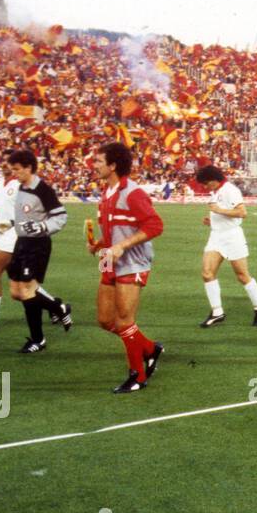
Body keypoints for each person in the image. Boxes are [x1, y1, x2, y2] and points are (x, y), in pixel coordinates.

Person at [90, 142, 165, 392]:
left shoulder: (133, 193)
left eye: (99, 161)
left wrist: (123, 245)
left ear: (113, 166)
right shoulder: (106, 192)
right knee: (104, 320)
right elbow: (112, 231)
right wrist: (99, 244)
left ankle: (138, 376)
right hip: (109, 259)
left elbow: (155, 225)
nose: (95, 165)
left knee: (124, 322)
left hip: (132, 261)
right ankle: (149, 348)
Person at [0, 166, 68, 334]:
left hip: (14, 234)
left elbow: (35, 208)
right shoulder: (1, 183)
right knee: (19, 290)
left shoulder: (21, 185)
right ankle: (57, 306)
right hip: (1, 234)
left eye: (9, 163)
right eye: (3, 161)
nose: (5, 166)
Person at [3, 149, 71, 353]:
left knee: (26, 291)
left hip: (37, 245)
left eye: (16, 170)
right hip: (21, 242)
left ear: (28, 168)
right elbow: (27, 214)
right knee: (16, 292)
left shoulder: (43, 190)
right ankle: (58, 307)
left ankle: (38, 340)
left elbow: (61, 217)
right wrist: (12, 225)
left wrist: (42, 227)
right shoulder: (21, 187)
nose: (14, 174)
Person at [195, 164, 257, 328]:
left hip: (232, 237)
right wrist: (211, 219)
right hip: (216, 236)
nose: (205, 187)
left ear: (213, 180)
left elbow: (242, 212)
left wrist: (218, 211)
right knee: (207, 273)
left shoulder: (230, 190)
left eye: (205, 183)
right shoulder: (217, 192)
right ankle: (217, 312)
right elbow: (222, 212)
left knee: (242, 276)